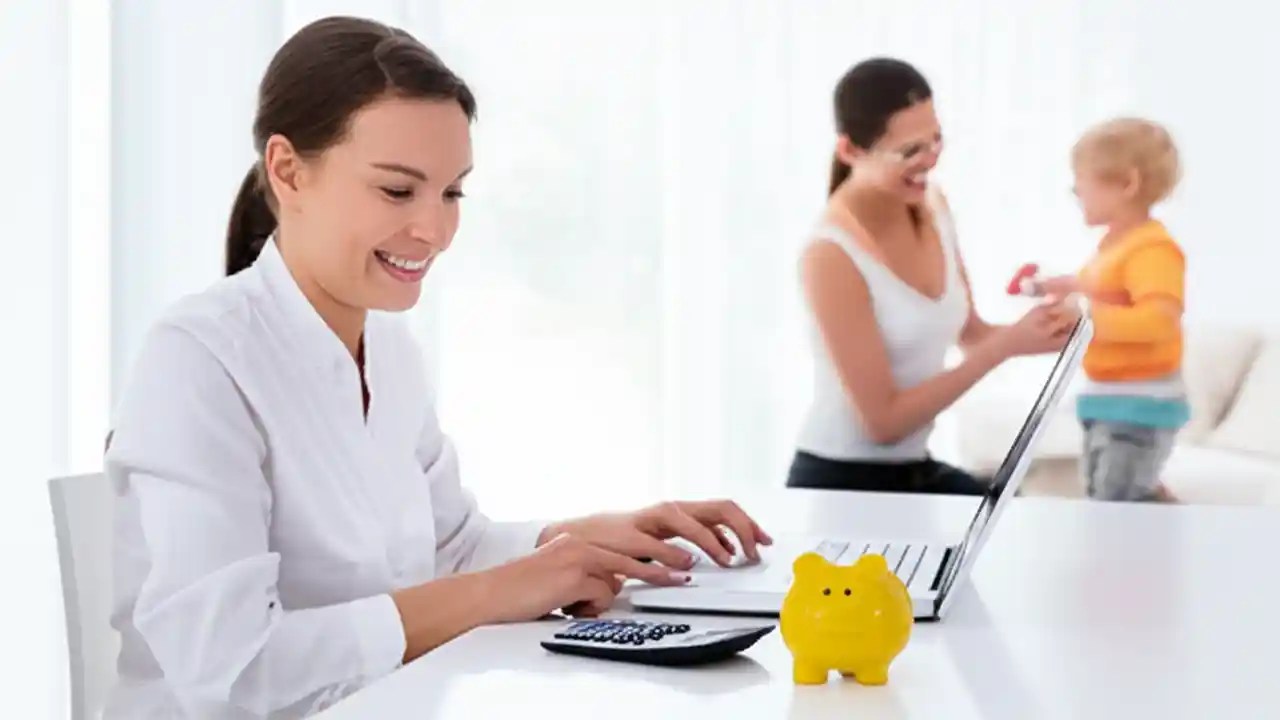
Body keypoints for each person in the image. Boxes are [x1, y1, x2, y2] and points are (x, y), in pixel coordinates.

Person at [103, 16, 771, 719]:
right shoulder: (197, 361)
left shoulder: (388, 350)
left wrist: (584, 542)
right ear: (288, 170)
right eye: (398, 191)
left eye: (452, 192)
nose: (435, 230)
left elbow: (450, 548)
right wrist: (504, 589)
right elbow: (231, 668)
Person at [788, 57, 1077, 494]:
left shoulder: (933, 205)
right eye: (910, 151)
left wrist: (1045, 330)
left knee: (1020, 516)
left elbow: (972, 334)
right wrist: (1003, 349)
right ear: (850, 151)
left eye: (936, 141)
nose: (929, 161)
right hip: (841, 482)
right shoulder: (829, 254)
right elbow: (882, 423)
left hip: (913, 469)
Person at [1026, 118, 1187, 502]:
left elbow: (1159, 321)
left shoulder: (1152, 249)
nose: (1075, 189)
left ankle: (1158, 536)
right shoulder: (1113, 247)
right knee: (1107, 495)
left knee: (1116, 503)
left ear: (1127, 184)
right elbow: (1096, 290)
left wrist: (1084, 316)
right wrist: (1055, 287)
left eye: (1081, 180)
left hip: (1139, 407)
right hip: (1110, 401)